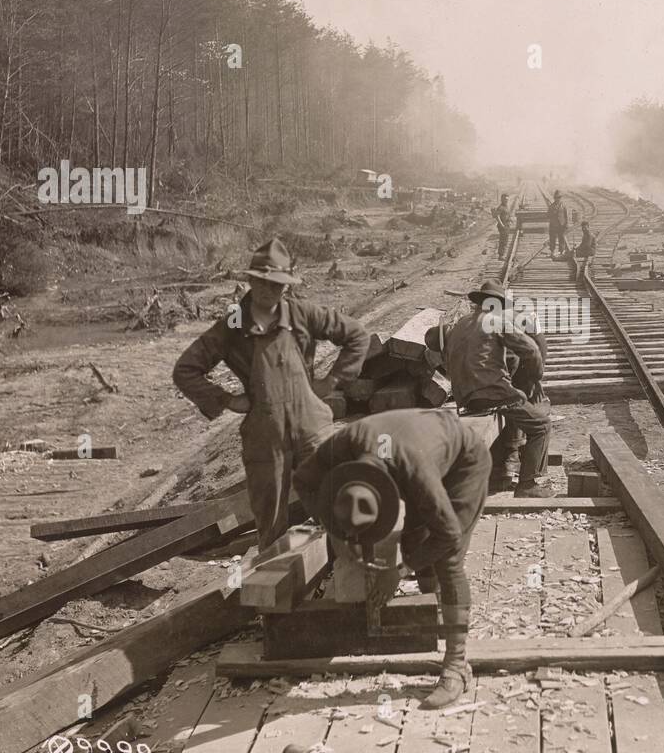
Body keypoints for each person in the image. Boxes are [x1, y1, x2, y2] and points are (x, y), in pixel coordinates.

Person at [173, 237, 369, 548]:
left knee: (336, 507)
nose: (270, 291)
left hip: (311, 429)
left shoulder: (303, 314)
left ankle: (342, 581)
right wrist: (227, 400)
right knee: (271, 524)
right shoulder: (233, 326)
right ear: (250, 280)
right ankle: (278, 588)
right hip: (266, 438)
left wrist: (331, 382)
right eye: (263, 283)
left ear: (287, 285)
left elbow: (357, 335)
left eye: (278, 284)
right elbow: (185, 369)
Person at [295, 408, 489, 709]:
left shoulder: (416, 471)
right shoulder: (341, 446)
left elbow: (448, 535)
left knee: (447, 560)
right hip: (417, 446)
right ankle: (435, 610)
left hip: (463, 462)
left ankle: (456, 667)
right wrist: (336, 532)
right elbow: (303, 481)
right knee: (413, 534)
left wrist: (399, 571)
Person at [438, 278, 554, 498]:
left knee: (512, 402)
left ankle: (499, 472)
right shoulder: (496, 322)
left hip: (465, 399)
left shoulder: (460, 324)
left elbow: (447, 361)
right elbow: (531, 351)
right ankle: (529, 484)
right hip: (493, 395)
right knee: (541, 425)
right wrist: (533, 379)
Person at [492, 194, 517, 259]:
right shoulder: (501, 207)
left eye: (507, 199)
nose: (506, 200)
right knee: (503, 240)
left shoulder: (506, 206)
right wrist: (502, 225)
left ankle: (502, 254)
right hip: (503, 226)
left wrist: (511, 220)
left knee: (505, 240)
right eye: (505, 199)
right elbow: (497, 217)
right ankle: (501, 255)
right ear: (502, 199)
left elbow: (507, 215)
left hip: (507, 225)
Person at [547, 189, 570, 257]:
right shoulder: (551, 206)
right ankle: (552, 251)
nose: (557, 199)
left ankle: (561, 251)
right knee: (552, 239)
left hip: (561, 225)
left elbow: (566, 215)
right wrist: (552, 216)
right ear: (554, 198)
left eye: (559, 197)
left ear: (560, 198)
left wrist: (566, 224)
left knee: (561, 238)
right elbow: (548, 215)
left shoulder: (564, 206)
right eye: (556, 197)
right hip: (553, 225)